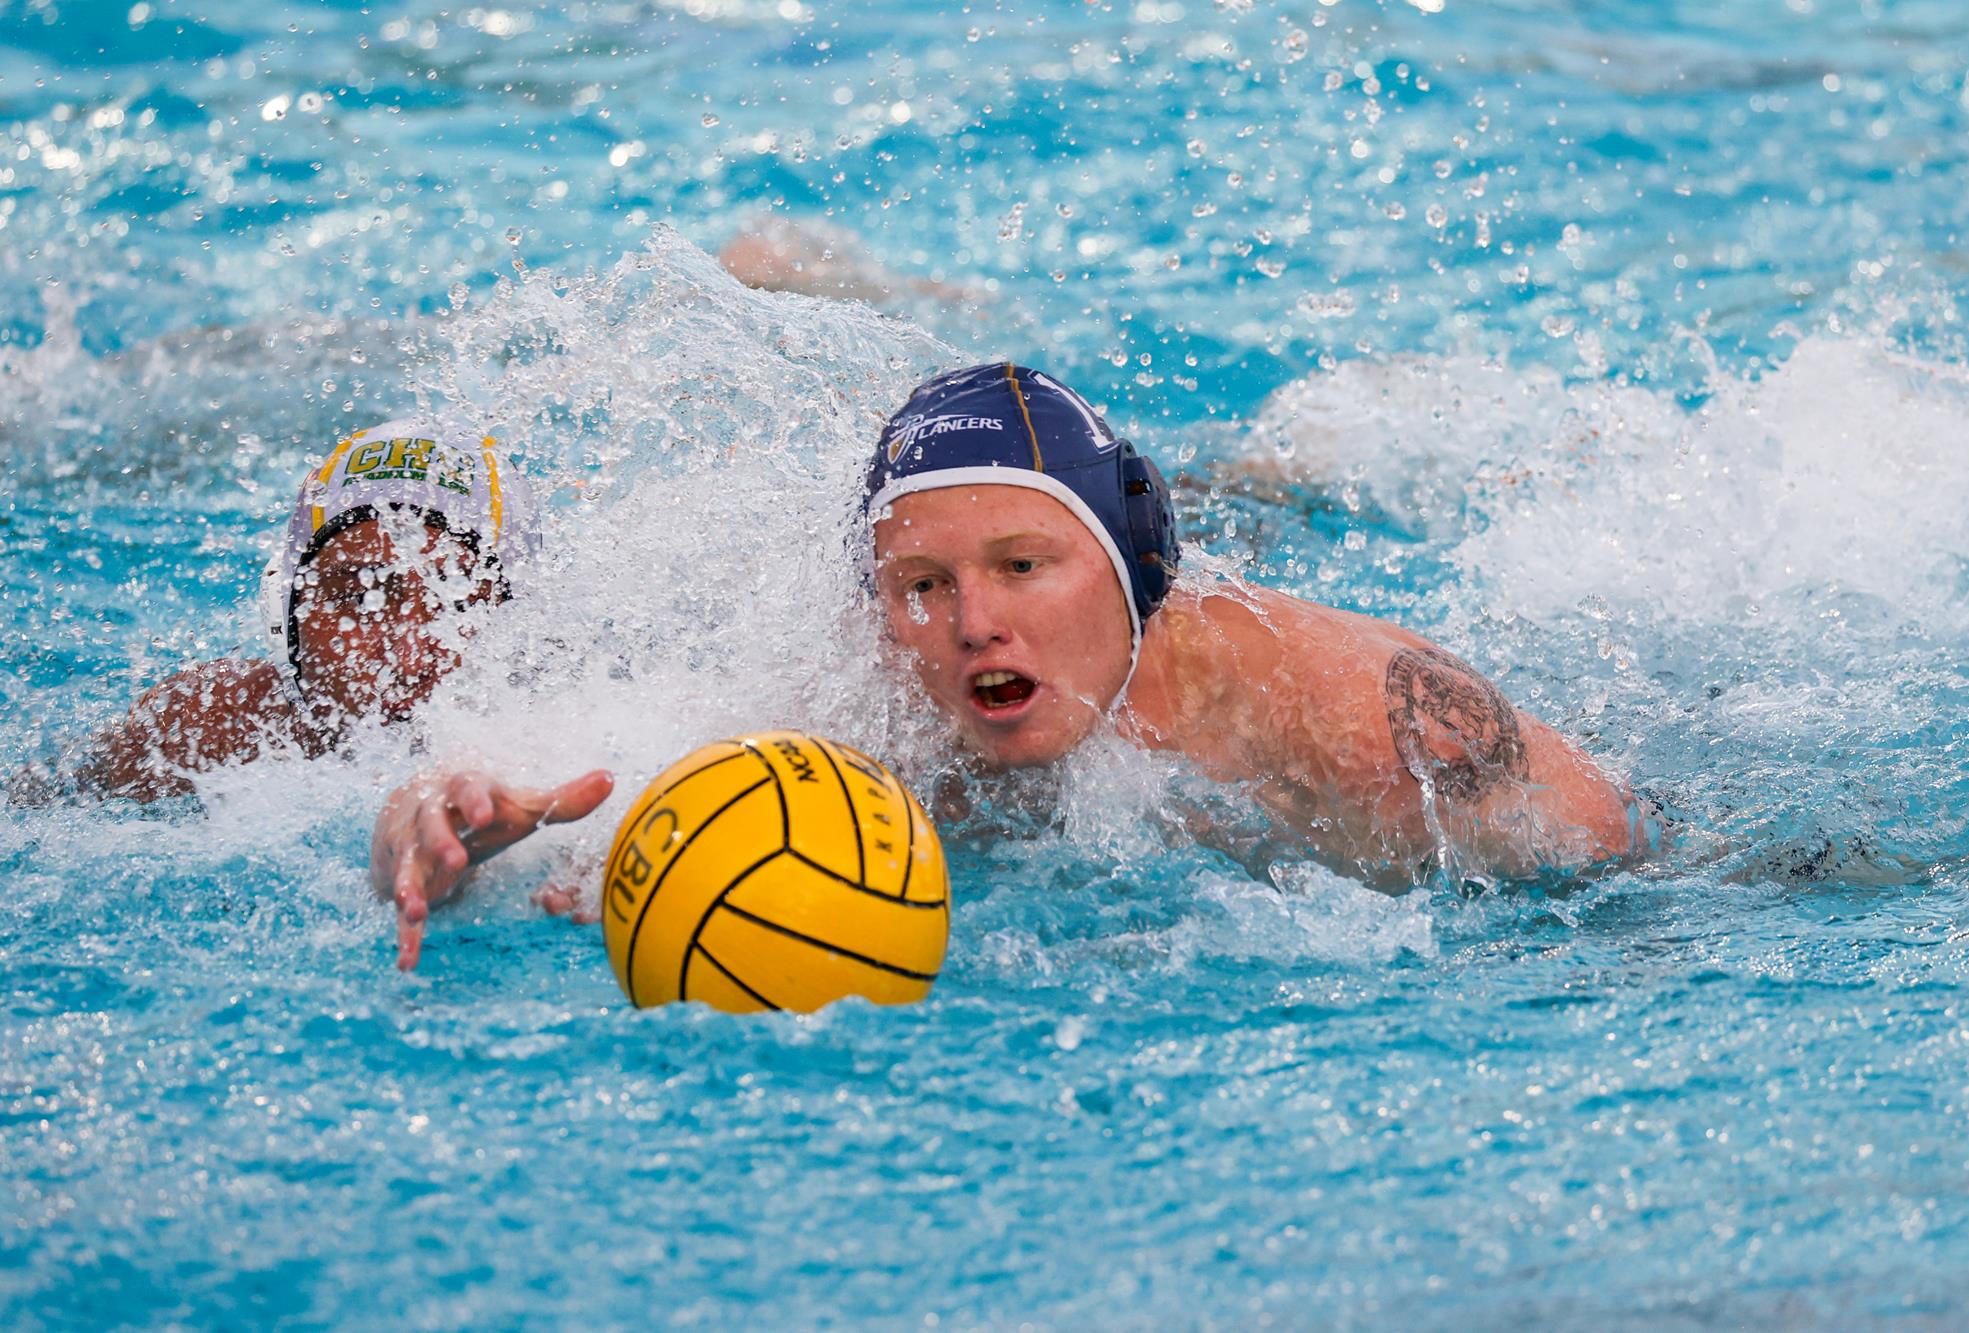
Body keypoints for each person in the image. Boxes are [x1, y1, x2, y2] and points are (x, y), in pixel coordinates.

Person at [371, 364, 1655, 970]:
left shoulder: (1353, 725)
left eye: (1024, 566)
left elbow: (1632, 881)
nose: (972, 624)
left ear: (1130, 571)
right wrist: (453, 825)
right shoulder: (866, 716)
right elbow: (575, 791)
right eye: (921, 587)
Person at [11, 421, 540, 806]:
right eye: (359, 598)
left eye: (453, 603)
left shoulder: (561, 744)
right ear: (287, 608)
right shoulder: (207, 733)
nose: (402, 652)